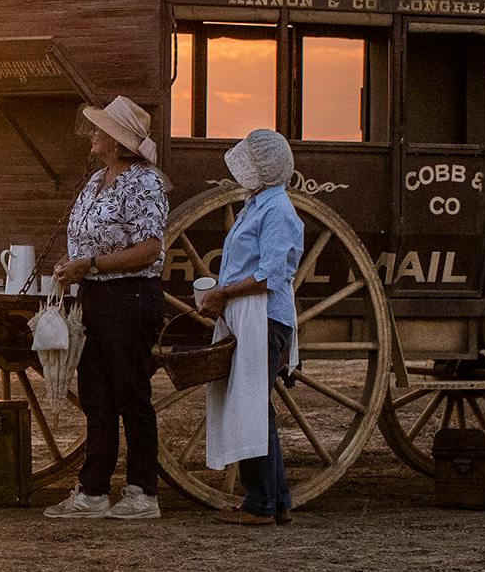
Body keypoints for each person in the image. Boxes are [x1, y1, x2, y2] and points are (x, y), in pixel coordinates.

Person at [49, 96, 170, 520]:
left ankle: (142, 491)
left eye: (100, 129)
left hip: (130, 296)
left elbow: (150, 248)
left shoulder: (144, 182)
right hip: (95, 296)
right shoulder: (97, 179)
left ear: (118, 141)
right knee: (96, 396)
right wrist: (73, 265)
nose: (94, 134)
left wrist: (92, 264)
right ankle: (94, 490)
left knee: (131, 394)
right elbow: (86, 237)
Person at [198, 128, 305, 527]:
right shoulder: (258, 205)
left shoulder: (278, 211)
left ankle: (261, 504)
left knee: (252, 406)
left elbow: (270, 275)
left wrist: (222, 292)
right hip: (249, 314)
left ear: (263, 168)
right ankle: (276, 500)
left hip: (264, 315)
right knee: (257, 407)